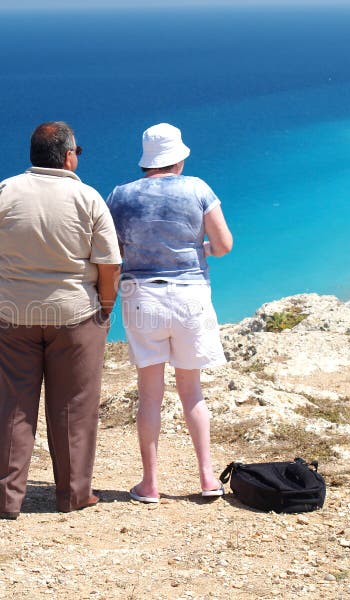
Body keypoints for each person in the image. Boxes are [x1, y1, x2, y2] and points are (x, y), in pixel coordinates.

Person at [0, 122, 122, 519]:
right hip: (75, 314)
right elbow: (109, 264)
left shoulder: (2, 193)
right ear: (69, 155)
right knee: (75, 404)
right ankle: (74, 494)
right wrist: (105, 309)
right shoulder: (87, 198)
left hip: (11, 313)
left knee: (14, 404)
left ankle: (4, 498)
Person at [106, 123, 233, 503]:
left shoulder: (120, 195)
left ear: (147, 160)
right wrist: (198, 251)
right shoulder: (198, 188)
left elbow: (111, 254)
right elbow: (224, 244)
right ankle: (208, 478)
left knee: (150, 395)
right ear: (178, 159)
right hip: (190, 294)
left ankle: (150, 483)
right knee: (192, 393)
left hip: (142, 295)